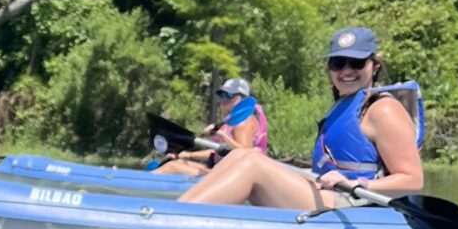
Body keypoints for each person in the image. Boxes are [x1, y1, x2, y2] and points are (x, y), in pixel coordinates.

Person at [179, 28, 423, 211]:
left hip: (355, 203)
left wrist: (357, 184)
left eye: (356, 63)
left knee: (252, 164)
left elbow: (412, 180)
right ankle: (177, 213)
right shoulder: (343, 106)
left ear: (375, 66)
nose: (346, 71)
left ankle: (176, 221)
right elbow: (327, 170)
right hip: (330, 194)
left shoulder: (384, 109)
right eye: (338, 63)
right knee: (245, 155)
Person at [152, 75, 270, 175]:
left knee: (171, 168)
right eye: (221, 94)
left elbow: (245, 153)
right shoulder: (231, 122)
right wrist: (187, 155)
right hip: (223, 173)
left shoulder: (243, 122)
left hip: (235, 178)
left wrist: (223, 135)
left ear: (242, 99)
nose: (223, 99)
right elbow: (218, 152)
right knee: (177, 162)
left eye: (228, 95)